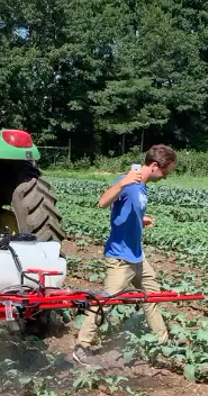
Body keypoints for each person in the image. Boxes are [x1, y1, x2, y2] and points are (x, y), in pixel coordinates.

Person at [72, 144, 177, 365]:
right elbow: (102, 202)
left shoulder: (142, 186)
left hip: (138, 255)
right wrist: (122, 182)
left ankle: (163, 342)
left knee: (153, 296)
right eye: (165, 172)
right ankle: (82, 346)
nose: (166, 177)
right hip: (121, 257)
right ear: (155, 165)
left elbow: (128, 211)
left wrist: (141, 220)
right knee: (105, 302)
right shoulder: (130, 182)